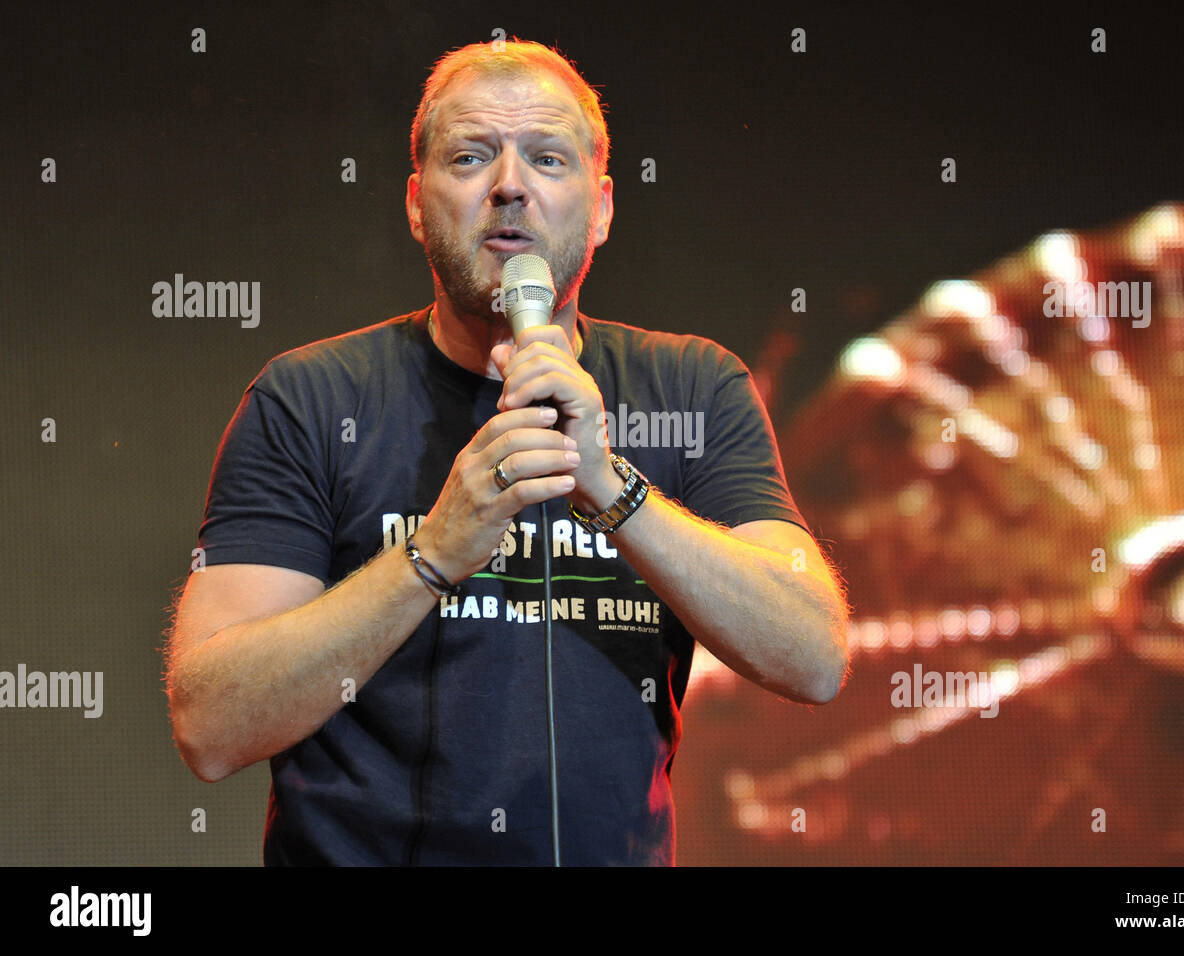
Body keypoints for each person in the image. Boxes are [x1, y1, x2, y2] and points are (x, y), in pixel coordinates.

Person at [164, 38, 849, 866]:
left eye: (547, 157)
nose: (510, 184)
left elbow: (812, 657)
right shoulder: (309, 400)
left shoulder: (692, 388)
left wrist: (608, 486)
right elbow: (211, 725)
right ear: (417, 204)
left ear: (600, 208)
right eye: (470, 156)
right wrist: (435, 550)